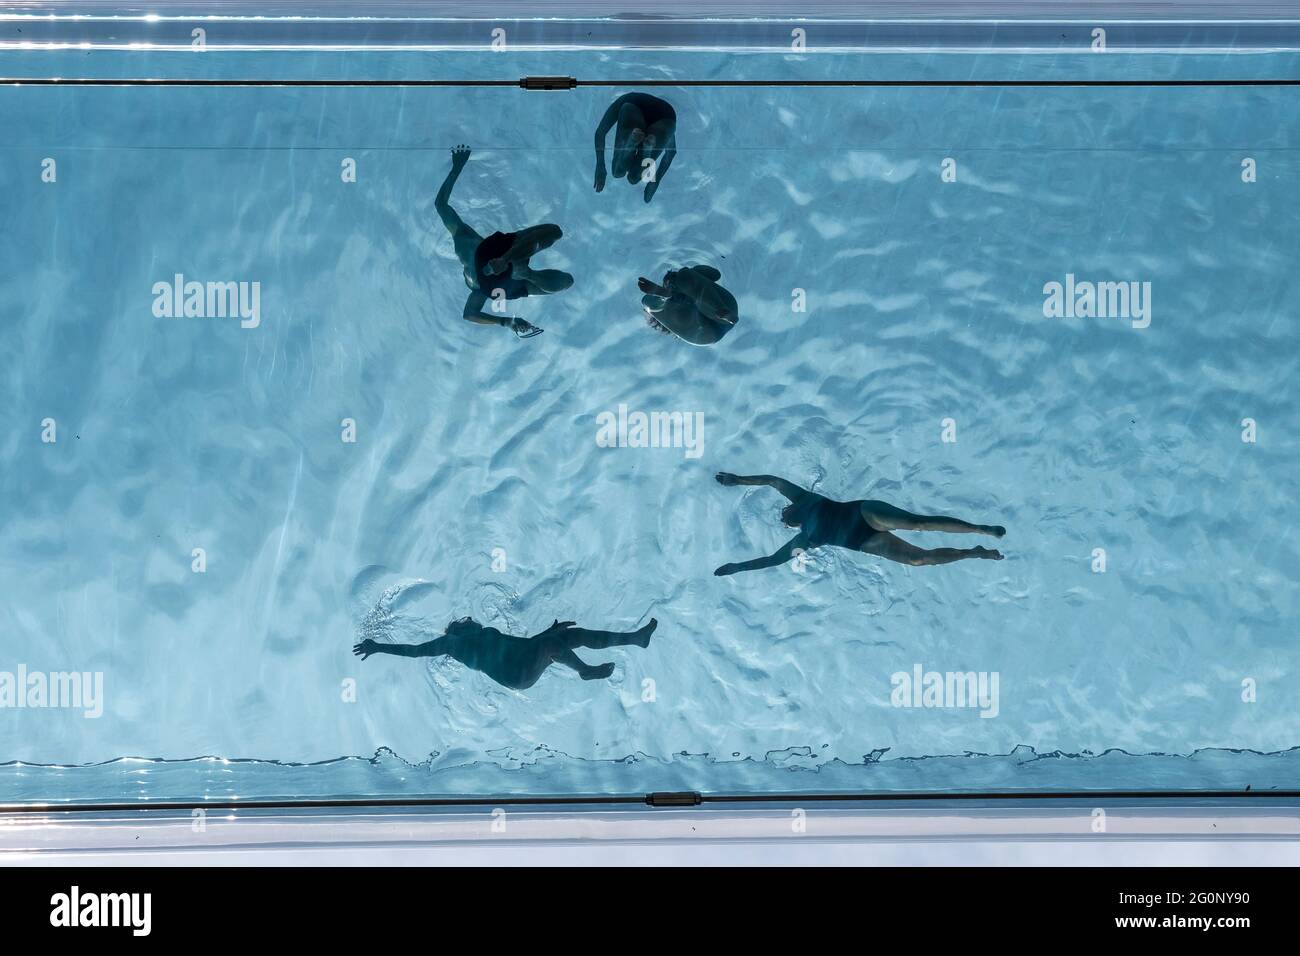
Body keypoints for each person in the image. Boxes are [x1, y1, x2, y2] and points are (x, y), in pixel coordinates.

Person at [713, 472, 1005, 576]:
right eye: (784, 520)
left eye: (784, 512)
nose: (784, 516)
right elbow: (772, 560)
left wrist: (737, 480)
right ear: (791, 527)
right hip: (865, 542)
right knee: (920, 559)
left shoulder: (802, 497)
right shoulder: (804, 540)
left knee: (919, 523)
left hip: (864, 513)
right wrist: (736, 567)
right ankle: (973, 551)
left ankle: (980, 529)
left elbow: (771, 480)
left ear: (790, 507)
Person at [435, 145, 573, 338]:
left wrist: (506, 322)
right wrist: (457, 167)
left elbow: (469, 314)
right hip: (509, 262)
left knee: (554, 238)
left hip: (507, 265)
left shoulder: (477, 282)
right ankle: (524, 271)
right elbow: (440, 205)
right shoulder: (468, 247)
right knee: (554, 237)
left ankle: (522, 269)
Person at [353, 617, 657, 690]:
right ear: (459, 628)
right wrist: (378, 647)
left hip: (524, 658)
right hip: (517, 675)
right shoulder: (453, 645)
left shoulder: (487, 634)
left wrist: (547, 632)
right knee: (554, 644)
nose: (471, 618)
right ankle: (585, 671)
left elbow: (523, 645)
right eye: (466, 619)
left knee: (569, 635)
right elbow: (415, 651)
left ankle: (636, 637)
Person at [593, 93, 677, 203]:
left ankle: (631, 145)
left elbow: (601, 132)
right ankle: (645, 150)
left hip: (634, 105)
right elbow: (671, 153)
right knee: (634, 178)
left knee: (617, 172)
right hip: (667, 115)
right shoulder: (624, 99)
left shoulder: (624, 100)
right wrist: (655, 180)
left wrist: (600, 165)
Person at [638, 264, 738, 345]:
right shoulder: (670, 308)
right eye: (670, 284)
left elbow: (716, 274)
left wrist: (694, 271)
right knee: (649, 302)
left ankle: (723, 312)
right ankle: (724, 314)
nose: (674, 286)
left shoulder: (689, 282)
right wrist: (663, 292)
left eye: (673, 281)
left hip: (721, 310)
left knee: (684, 276)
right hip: (699, 331)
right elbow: (648, 303)